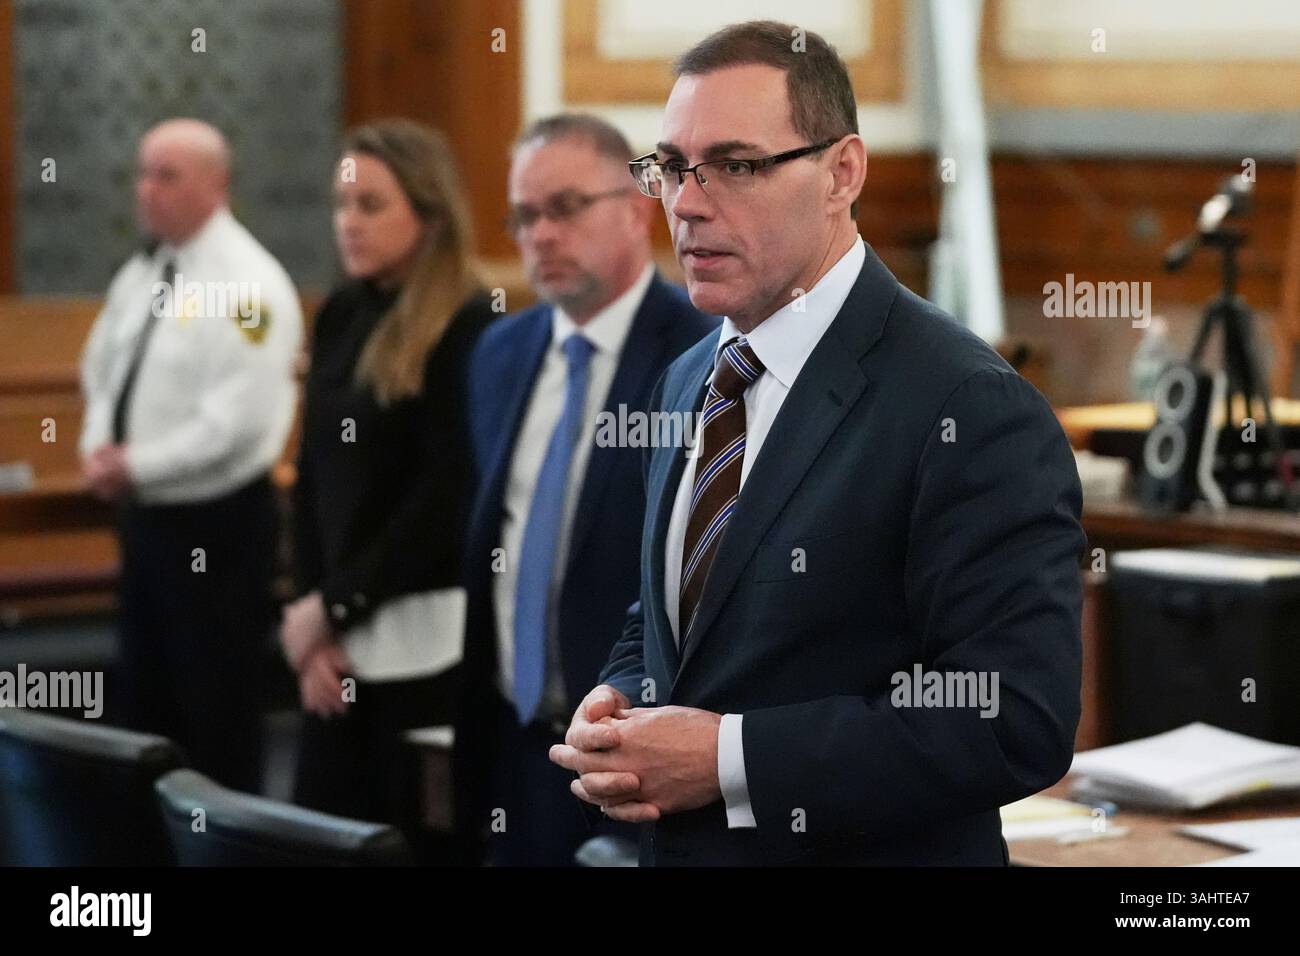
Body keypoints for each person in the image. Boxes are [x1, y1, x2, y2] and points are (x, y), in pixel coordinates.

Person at [551, 21, 1086, 866]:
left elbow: (1013, 716)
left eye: (734, 165)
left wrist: (727, 759)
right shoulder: (690, 376)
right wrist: (623, 690)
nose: (687, 202)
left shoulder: (970, 407)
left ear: (843, 173)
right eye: (671, 167)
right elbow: (680, 616)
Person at [453, 114, 716, 865]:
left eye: (565, 208)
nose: (540, 235)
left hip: (633, 754)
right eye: (524, 215)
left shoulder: (701, 352)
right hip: (511, 740)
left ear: (637, 209)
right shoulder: (501, 352)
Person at [282, 120, 495, 849]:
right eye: (342, 205)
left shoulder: (467, 324)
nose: (349, 223)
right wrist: (312, 619)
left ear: (428, 214)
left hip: (420, 641)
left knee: (406, 840)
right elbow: (312, 477)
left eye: (371, 205)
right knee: (319, 834)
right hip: (332, 641)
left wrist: (336, 605)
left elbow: (444, 499)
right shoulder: (343, 311)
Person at [78, 118, 303, 791]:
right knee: (147, 707)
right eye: (142, 174)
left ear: (217, 183)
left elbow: (234, 423)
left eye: (166, 174)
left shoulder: (249, 286)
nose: (146, 190)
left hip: (216, 526)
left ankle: (221, 846)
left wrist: (136, 464)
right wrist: (97, 448)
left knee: (214, 710)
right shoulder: (145, 271)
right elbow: (101, 370)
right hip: (147, 522)